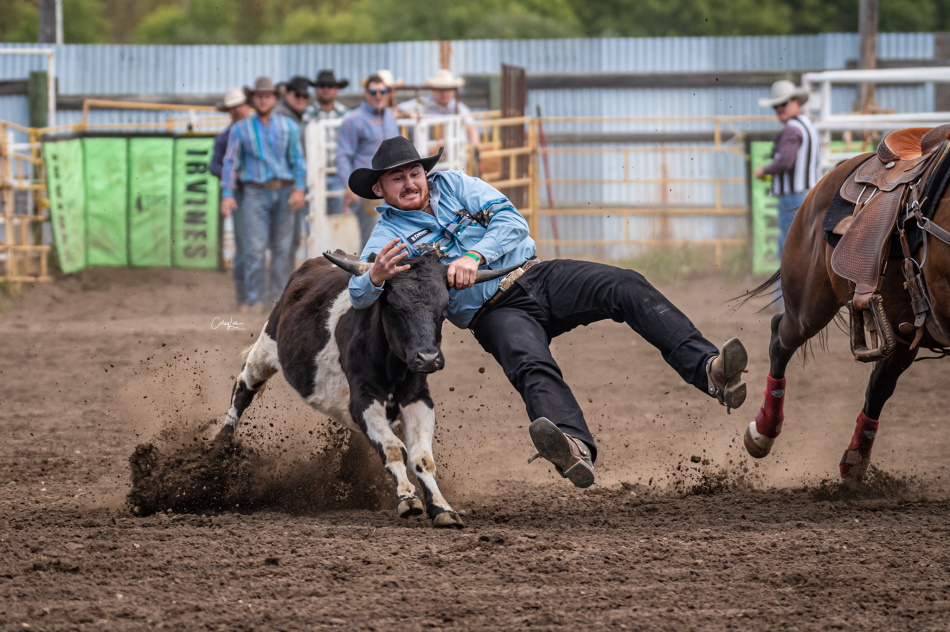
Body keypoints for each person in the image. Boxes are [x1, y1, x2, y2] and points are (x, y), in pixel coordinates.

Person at [346, 137, 749, 489]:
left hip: (538, 275)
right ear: (380, 189)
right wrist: (377, 277)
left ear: (425, 173)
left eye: (414, 172)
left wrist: (474, 255)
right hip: (493, 312)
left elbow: (512, 221)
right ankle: (573, 447)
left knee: (625, 284)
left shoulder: (455, 185)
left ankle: (709, 369)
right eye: (397, 178)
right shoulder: (387, 239)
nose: (410, 183)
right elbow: (358, 293)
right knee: (531, 363)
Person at [221, 76, 306, 313]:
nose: (263, 100)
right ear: (253, 100)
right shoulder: (240, 129)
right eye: (259, 96)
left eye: (267, 96)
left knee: (282, 247)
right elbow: (230, 162)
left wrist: (299, 188)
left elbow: (297, 159)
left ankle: (277, 300)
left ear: (274, 98)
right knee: (254, 247)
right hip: (254, 191)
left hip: (285, 190)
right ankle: (253, 298)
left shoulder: (289, 127)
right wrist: (227, 193)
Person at [754, 80, 821, 267]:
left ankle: (784, 296)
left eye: (783, 104)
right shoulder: (808, 125)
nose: (779, 109)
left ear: (795, 101)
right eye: (776, 106)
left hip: (793, 198)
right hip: (807, 195)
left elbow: (784, 161)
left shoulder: (792, 129)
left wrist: (764, 170)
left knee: (788, 252)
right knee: (805, 250)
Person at [336, 73, 400, 246]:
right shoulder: (354, 119)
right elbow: (343, 154)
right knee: (373, 236)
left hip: (392, 185)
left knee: (391, 233)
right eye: (373, 92)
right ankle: (368, 272)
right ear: (366, 94)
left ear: (387, 93)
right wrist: (348, 184)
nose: (378, 95)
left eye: (382, 91)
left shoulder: (389, 116)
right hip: (369, 188)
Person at [210, 87, 252, 310]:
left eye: (239, 105)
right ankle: (244, 294)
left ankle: (251, 294)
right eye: (233, 107)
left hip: (254, 193)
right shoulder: (224, 137)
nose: (236, 110)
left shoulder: (253, 132)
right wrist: (235, 175)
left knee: (252, 245)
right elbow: (215, 165)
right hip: (241, 194)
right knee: (246, 245)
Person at [303, 70, 350, 216]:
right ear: (316, 89)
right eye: (322, 86)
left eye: (329, 86)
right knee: (314, 218)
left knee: (336, 219)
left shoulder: (346, 114)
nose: (326, 89)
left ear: (336, 89)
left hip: (339, 174)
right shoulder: (308, 114)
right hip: (314, 174)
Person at [396, 68, 480, 148]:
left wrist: (475, 149)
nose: (444, 93)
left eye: (448, 89)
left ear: (453, 91)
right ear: (433, 90)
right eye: (440, 89)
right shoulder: (423, 103)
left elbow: (471, 128)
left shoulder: (459, 108)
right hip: (428, 152)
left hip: (454, 153)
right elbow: (398, 109)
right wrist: (410, 114)